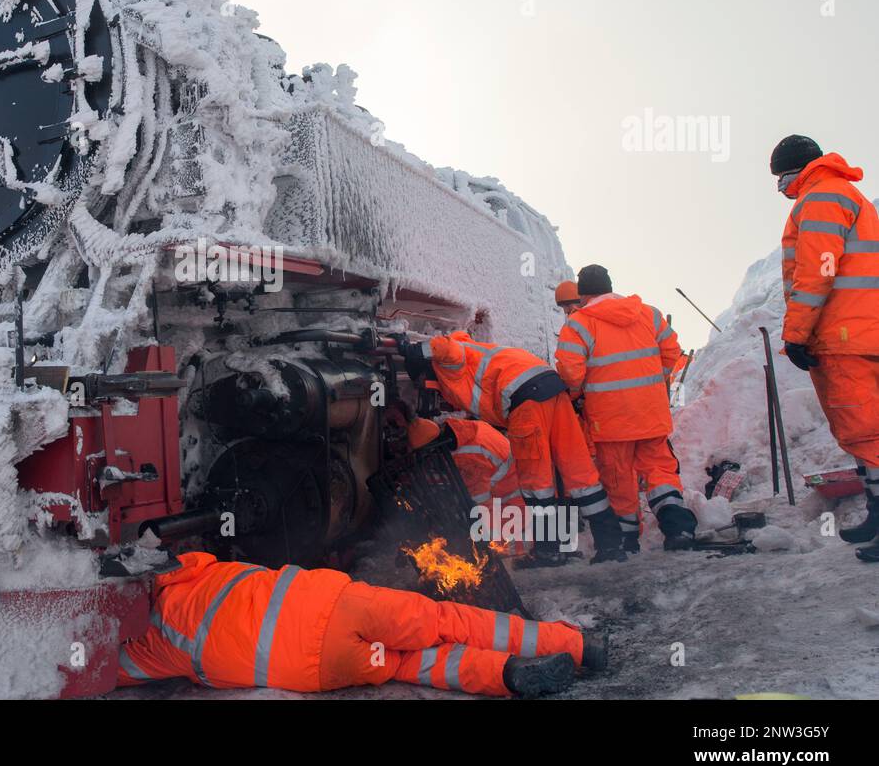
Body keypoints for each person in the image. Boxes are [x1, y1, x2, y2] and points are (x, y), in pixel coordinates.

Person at [118, 552, 607, 696]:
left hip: (318, 667)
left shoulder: (155, 648)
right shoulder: (190, 570)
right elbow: (177, 557)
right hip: (338, 605)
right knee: (444, 620)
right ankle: (575, 645)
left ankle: (507, 677)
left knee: (413, 665)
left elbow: (111, 669)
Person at [400, 331, 626, 564]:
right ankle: (611, 544)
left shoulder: (455, 358)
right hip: (552, 391)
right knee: (580, 474)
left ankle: (548, 552)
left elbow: (442, 345)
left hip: (525, 402)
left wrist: (412, 351)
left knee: (537, 485)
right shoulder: (482, 354)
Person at [770, 135, 879, 562]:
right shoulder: (849, 195)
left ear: (796, 169)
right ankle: (876, 517)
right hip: (861, 332)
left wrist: (796, 334)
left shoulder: (820, 198)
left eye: (781, 179)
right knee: (868, 431)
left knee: (866, 433)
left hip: (844, 337)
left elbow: (816, 273)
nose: (782, 188)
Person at [555, 265, 697, 552]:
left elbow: (570, 372)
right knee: (659, 469)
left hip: (610, 420)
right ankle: (677, 526)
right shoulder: (649, 313)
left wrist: (578, 395)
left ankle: (627, 540)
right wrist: (653, 382)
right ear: (609, 287)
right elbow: (671, 352)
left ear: (583, 295)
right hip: (651, 412)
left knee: (618, 480)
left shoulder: (578, 324)